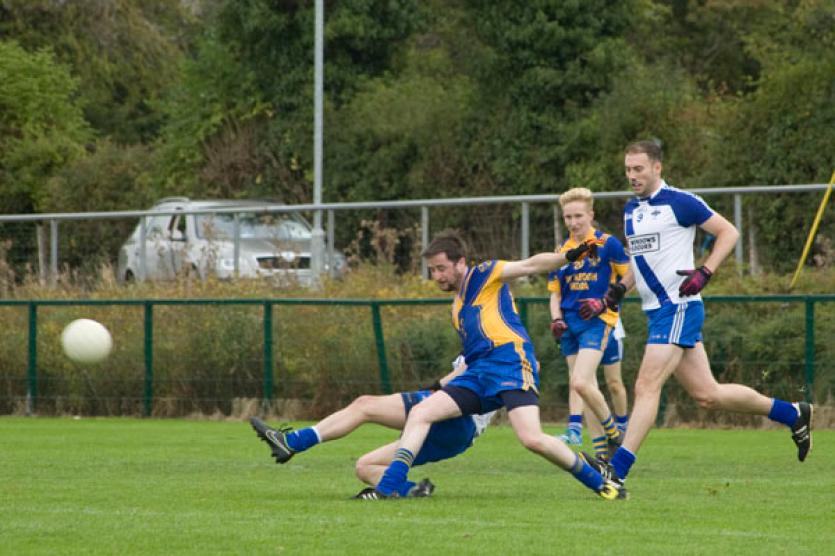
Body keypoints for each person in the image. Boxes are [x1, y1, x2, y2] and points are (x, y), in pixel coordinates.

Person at [584, 140, 813, 489]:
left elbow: (729, 232)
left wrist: (705, 271)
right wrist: (617, 290)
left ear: (657, 167)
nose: (632, 175)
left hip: (678, 306)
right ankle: (793, 413)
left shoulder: (680, 201)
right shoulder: (631, 210)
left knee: (646, 385)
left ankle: (617, 471)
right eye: (628, 169)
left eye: (639, 169)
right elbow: (642, 263)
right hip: (657, 311)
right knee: (708, 394)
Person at [363, 231, 627, 500]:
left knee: (532, 439)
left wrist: (568, 256)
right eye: (432, 270)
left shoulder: (484, 273)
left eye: (441, 268)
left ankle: (601, 483)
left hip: (510, 363)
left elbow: (530, 265)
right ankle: (388, 487)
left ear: (460, 262)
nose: (437, 276)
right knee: (421, 412)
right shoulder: (457, 308)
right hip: (477, 373)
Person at [249, 356, 495, 498]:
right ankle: (413, 491)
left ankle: (292, 442)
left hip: (456, 416)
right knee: (365, 467)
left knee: (364, 405)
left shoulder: (488, 333)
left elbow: (464, 372)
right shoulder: (493, 335)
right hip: (459, 437)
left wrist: (430, 390)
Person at [547, 188, 630, 461]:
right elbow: (555, 294)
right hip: (569, 325)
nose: (573, 222)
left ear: (591, 215)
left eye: (578, 216)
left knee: (581, 383)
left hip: (596, 321)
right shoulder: (562, 252)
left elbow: (629, 278)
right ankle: (602, 457)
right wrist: (556, 319)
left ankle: (615, 434)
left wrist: (605, 302)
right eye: (568, 217)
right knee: (585, 388)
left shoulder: (608, 244)